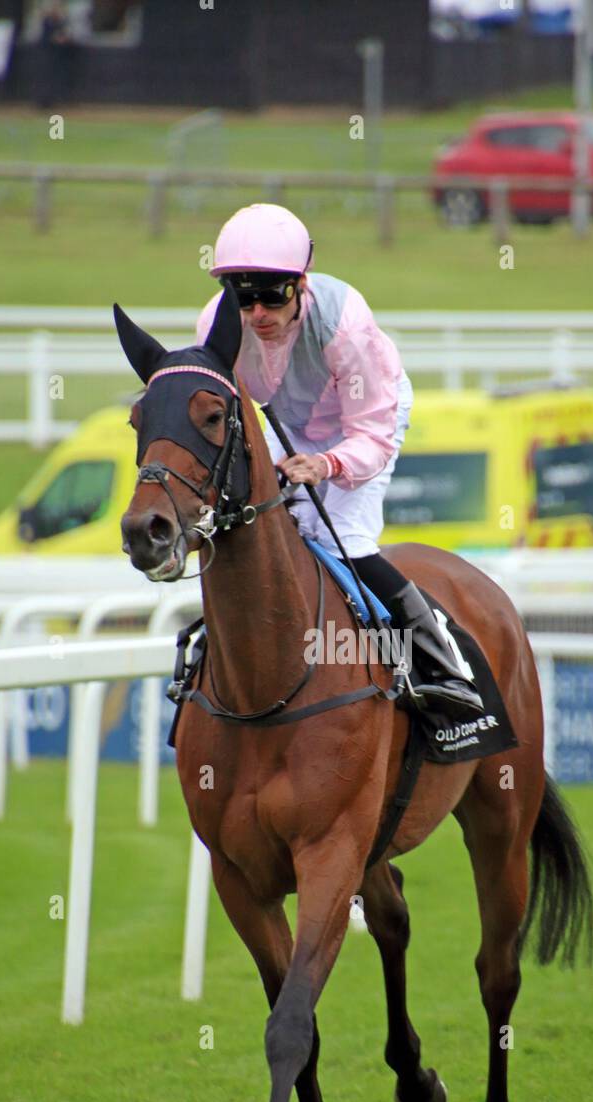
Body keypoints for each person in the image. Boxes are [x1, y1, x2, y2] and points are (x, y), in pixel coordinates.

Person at [196, 203, 482, 717]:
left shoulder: (343, 325)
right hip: (286, 420)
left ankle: (443, 665)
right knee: (258, 525)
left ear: (300, 284)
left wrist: (326, 465)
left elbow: (369, 430)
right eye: (243, 296)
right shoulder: (216, 328)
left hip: (366, 417)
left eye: (271, 295)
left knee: (340, 538)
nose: (257, 313)